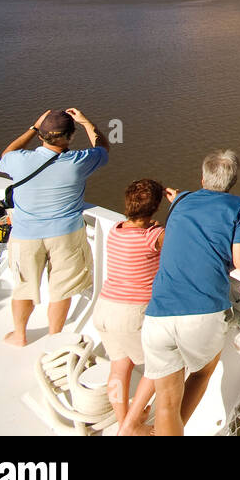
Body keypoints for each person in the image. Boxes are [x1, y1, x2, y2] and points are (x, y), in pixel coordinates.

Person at [141, 150, 240, 436]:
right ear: (234, 180)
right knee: (200, 375)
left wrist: (179, 197)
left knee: (165, 402)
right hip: (202, 312)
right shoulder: (239, 206)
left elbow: (191, 218)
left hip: (156, 314)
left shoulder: (182, 201)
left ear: (202, 178)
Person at [0, 108, 109, 346]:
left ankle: (19, 335)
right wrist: (87, 121)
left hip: (25, 236)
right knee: (62, 290)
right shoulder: (79, 162)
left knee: (23, 288)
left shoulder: (19, 161)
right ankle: (54, 336)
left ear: (42, 136)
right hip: (66, 235)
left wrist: (34, 127)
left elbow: (6, 155)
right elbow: (103, 148)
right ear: (70, 136)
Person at [92, 178, 166, 435]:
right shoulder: (154, 237)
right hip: (131, 314)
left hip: (104, 308)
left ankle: (123, 421)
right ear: (155, 208)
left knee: (119, 366)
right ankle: (131, 427)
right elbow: (179, 240)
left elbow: (144, 232)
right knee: (160, 365)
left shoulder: (116, 229)